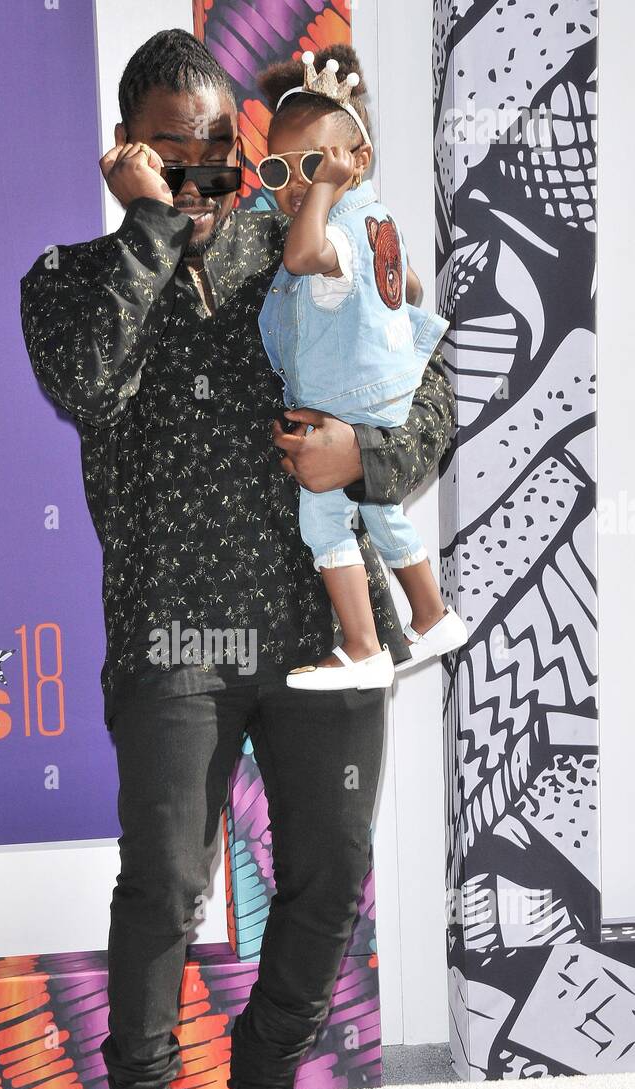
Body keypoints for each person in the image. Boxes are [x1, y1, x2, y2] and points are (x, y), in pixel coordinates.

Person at [19, 28, 455, 1089]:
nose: (209, 176)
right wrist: (151, 234)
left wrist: (361, 461)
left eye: (223, 152)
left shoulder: (314, 240)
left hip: (321, 625)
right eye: (177, 154)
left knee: (330, 873)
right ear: (127, 152)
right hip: (172, 636)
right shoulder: (72, 277)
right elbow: (85, 387)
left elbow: (419, 387)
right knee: (161, 886)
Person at [256, 45, 468, 690]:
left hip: (352, 402)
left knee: (320, 520)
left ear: (357, 161)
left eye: (314, 164)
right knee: (381, 512)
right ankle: (432, 617)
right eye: (276, 171)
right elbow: (407, 288)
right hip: (378, 394)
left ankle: (362, 645)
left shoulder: (337, 225)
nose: (297, 184)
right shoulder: (377, 219)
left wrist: (321, 193)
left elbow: (302, 257)